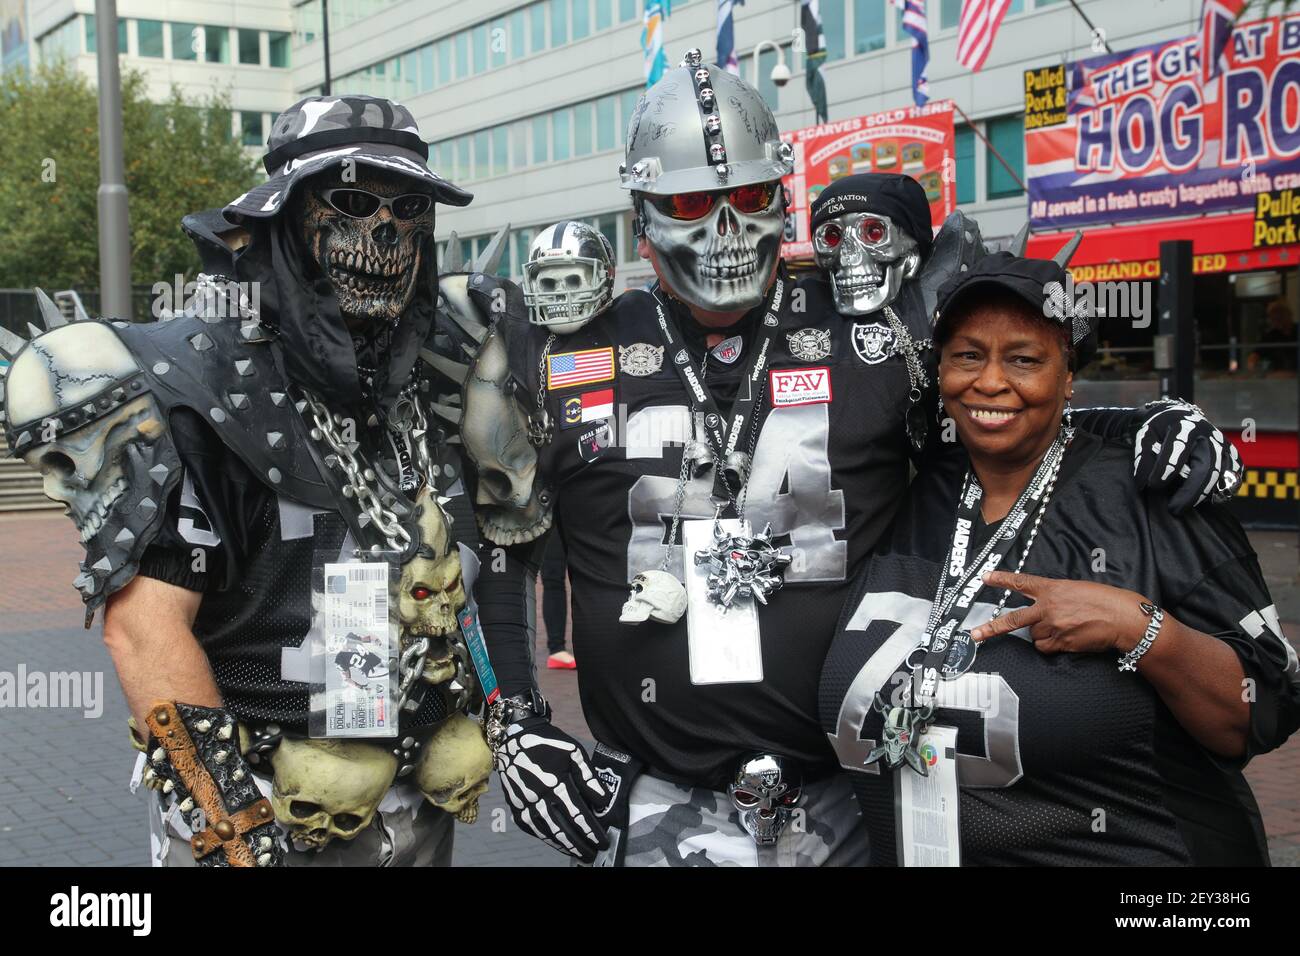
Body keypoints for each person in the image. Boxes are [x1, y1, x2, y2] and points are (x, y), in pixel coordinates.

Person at [464, 53, 1244, 867]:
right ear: (643, 214)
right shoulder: (567, 347)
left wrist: (1140, 425)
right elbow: (502, 544)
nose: (727, 229)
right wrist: (515, 716)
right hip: (654, 803)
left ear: (784, 198)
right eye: (695, 203)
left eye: (751, 198)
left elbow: (1005, 414)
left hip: (862, 800)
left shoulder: (875, 330)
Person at [0, 95, 508, 866]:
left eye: (408, 208)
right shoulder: (200, 381)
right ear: (283, 218)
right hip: (274, 806)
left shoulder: (441, 369)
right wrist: (231, 822)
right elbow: (145, 627)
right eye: (349, 202)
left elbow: (498, 562)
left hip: (419, 809)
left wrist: (517, 714)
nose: (386, 233)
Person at [819, 253, 1300, 865]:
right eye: (968, 355)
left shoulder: (1149, 492)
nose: (990, 382)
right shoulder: (909, 488)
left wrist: (1142, 629)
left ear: (1069, 374)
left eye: (1024, 359)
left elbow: (1261, 710)